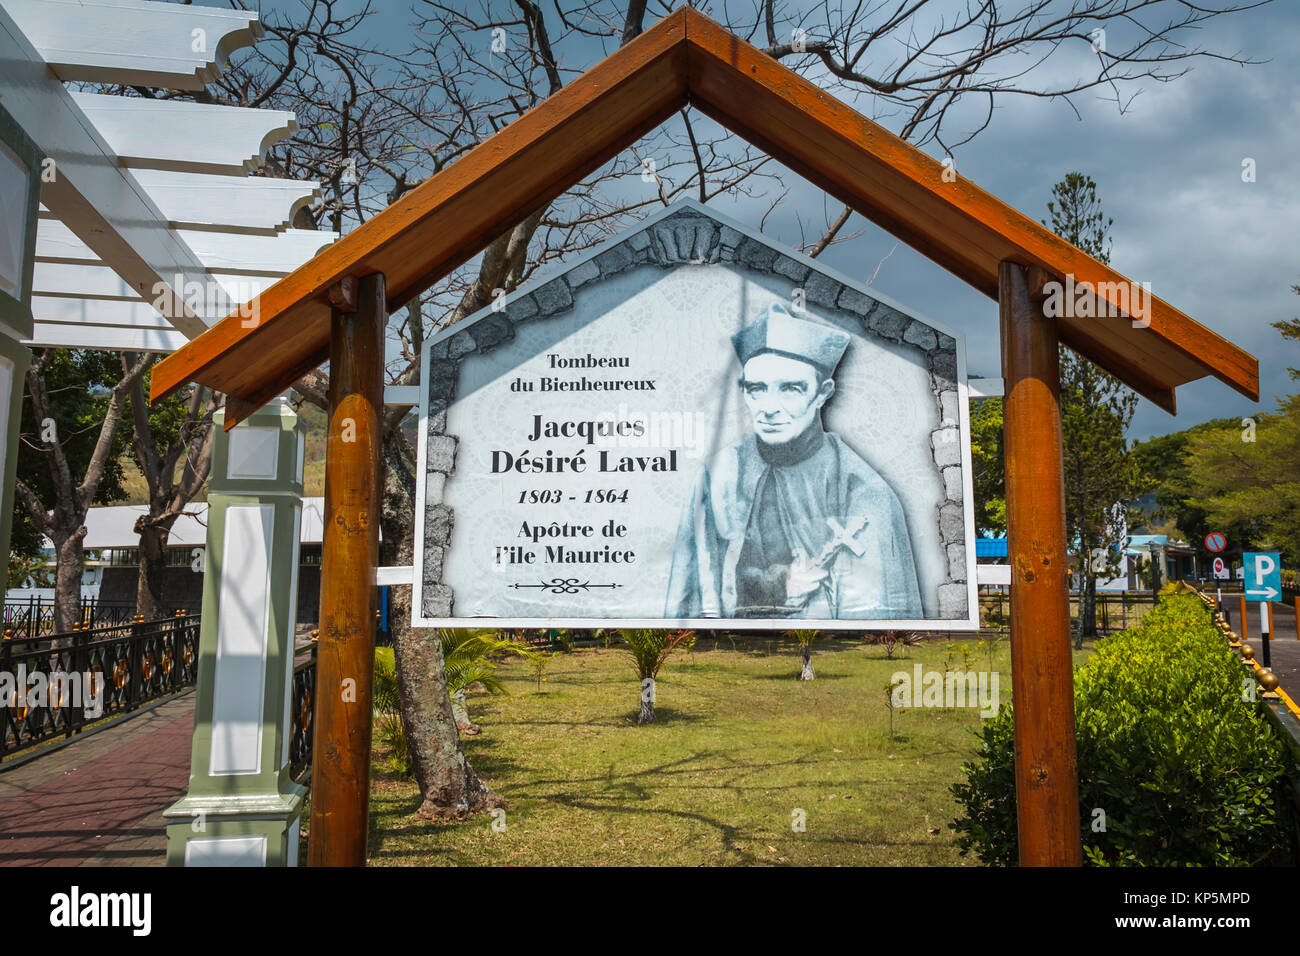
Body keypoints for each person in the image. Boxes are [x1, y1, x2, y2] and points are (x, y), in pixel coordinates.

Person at [665, 302, 923, 620]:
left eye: (790, 388)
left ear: (822, 393)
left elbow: (876, 617)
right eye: (757, 389)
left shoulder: (864, 493)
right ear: (743, 391)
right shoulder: (718, 475)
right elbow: (687, 599)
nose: (770, 407)